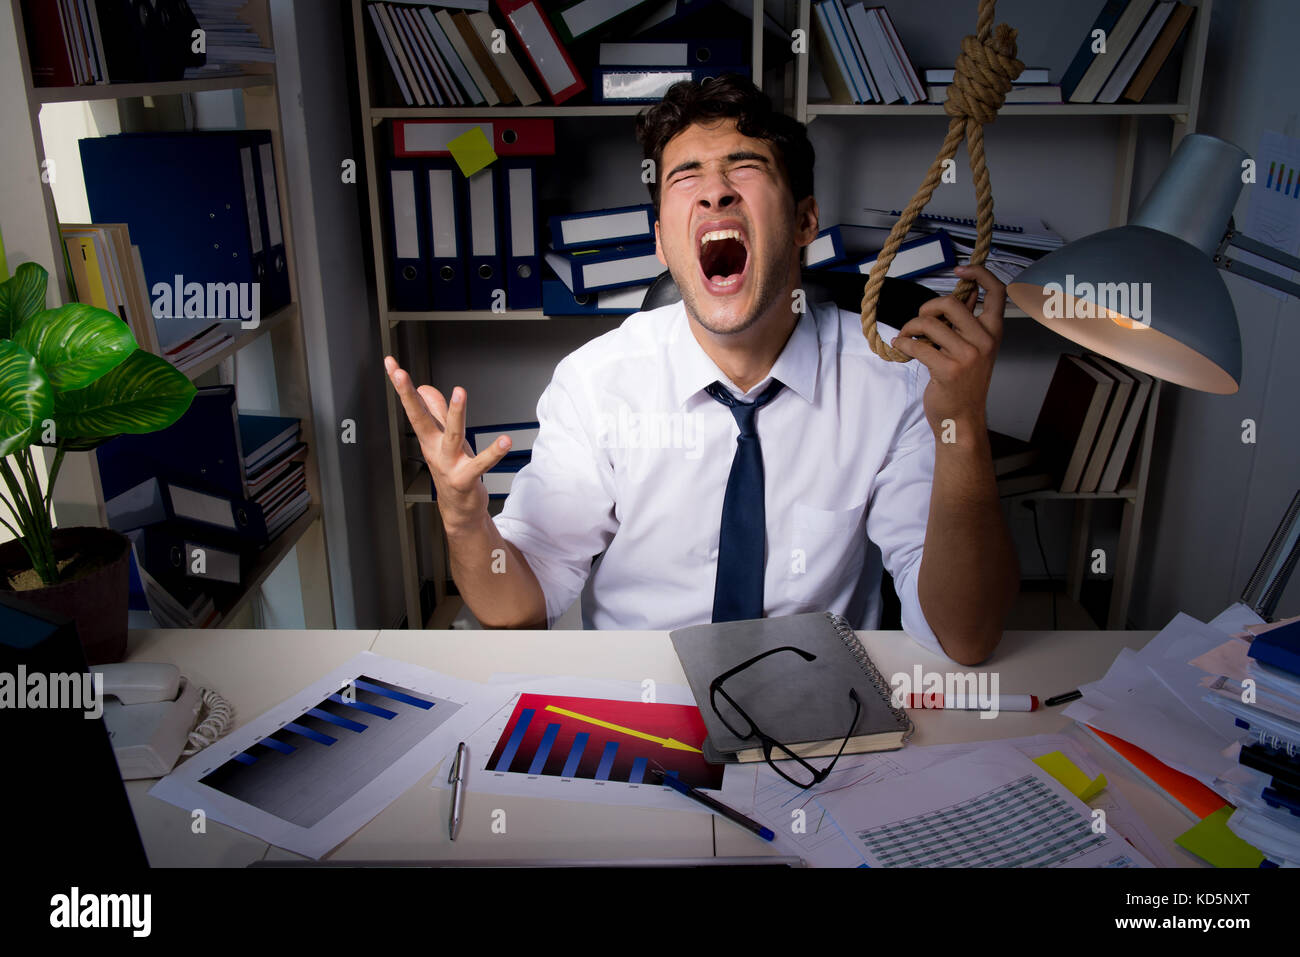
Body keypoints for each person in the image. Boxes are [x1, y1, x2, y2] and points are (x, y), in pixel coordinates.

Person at [385, 73, 1018, 664]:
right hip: (645, 696)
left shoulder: (895, 377)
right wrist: (464, 518)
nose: (715, 188)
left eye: (745, 166)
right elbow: (519, 614)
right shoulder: (596, 384)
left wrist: (962, 425)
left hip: (827, 699)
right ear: (662, 241)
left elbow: (964, 637)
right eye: (686, 174)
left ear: (803, 221)